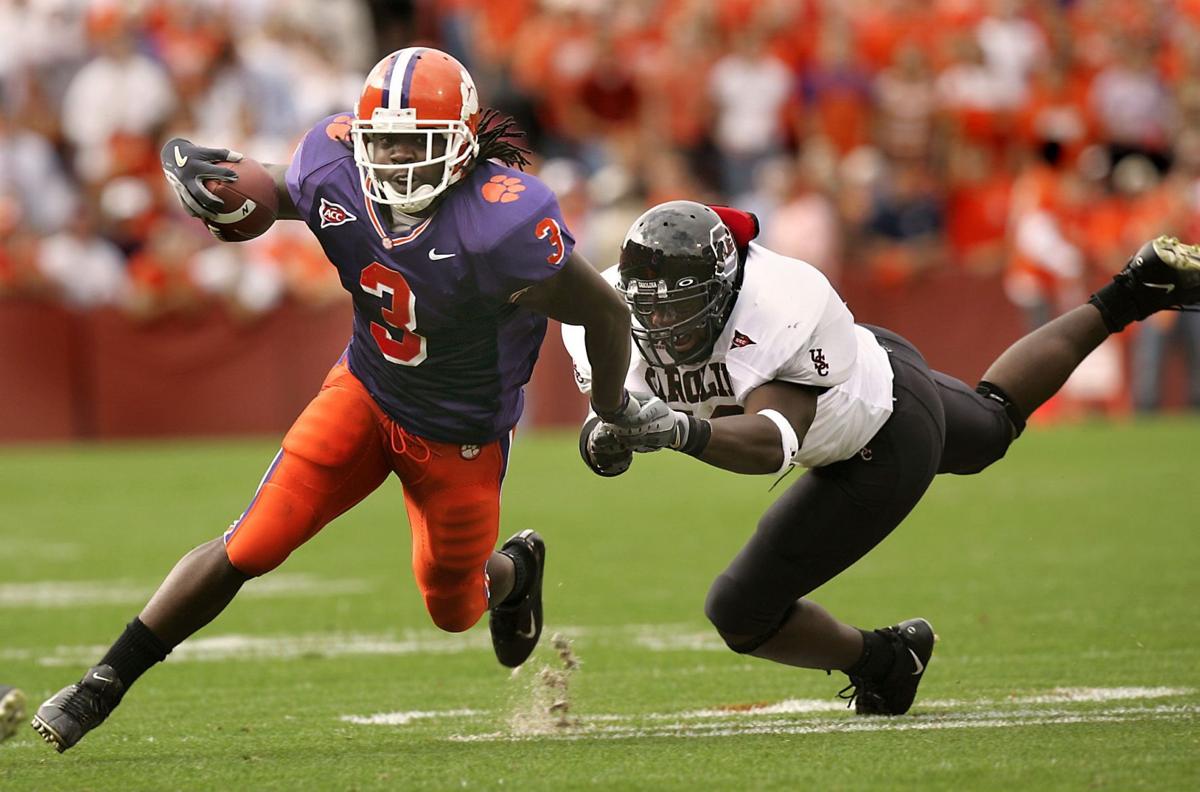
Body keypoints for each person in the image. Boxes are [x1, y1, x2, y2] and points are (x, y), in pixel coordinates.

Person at [31, 47, 662, 753]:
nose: (392, 159)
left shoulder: (503, 226)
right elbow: (282, 191)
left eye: (412, 142)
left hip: (461, 437)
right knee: (254, 540)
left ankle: (514, 573)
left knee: (453, 607)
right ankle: (100, 686)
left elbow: (604, 313)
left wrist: (610, 408)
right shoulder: (335, 167)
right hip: (364, 391)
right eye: (381, 140)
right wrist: (232, 195)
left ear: (459, 144)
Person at [564, 200, 1200, 716]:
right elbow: (613, 421)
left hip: (880, 438)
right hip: (874, 374)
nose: (665, 324)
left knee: (738, 611)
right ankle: (1133, 292)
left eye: (681, 304)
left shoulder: (782, 304)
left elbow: (770, 443)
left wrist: (675, 433)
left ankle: (887, 661)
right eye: (651, 307)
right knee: (993, 422)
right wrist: (607, 435)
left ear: (727, 288)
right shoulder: (615, 313)